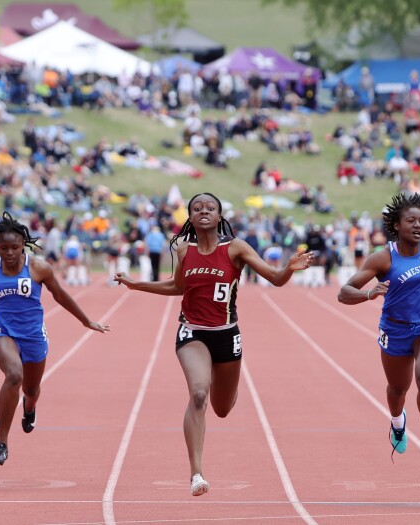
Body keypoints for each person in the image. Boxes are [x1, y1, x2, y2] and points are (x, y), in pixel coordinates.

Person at [113, 192, 313, 496]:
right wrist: (136, 284)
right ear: (190, 217)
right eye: (197, 208)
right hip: (192, 332)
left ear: (219, 216)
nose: (204, 211)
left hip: (227, 334)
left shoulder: (236, 248)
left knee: (221, 408)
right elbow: (177, 287)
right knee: (198, 394)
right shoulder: (182, 249)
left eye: (210, 208)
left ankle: (225, 384)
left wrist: (288, 268)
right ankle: (196, 474)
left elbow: (274, 278)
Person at [0, 212, 110, 465]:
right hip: (2, 332)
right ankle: (2, 443)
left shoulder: (39, 267)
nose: (9, 253)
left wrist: (86, 320)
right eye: (3, 247)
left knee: (31, 389)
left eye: (14, 247)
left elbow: (60, 296)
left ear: (23, 246)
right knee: (14, 375)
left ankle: (29, 407)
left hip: (33, 335)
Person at [338, 193, 420, 485]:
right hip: (396, 329)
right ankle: (397, 423)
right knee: (397, 389)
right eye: (411, 220)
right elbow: (344, 292)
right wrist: (368, 294)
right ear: (396, 225)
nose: (418, 225)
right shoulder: (383, 257)